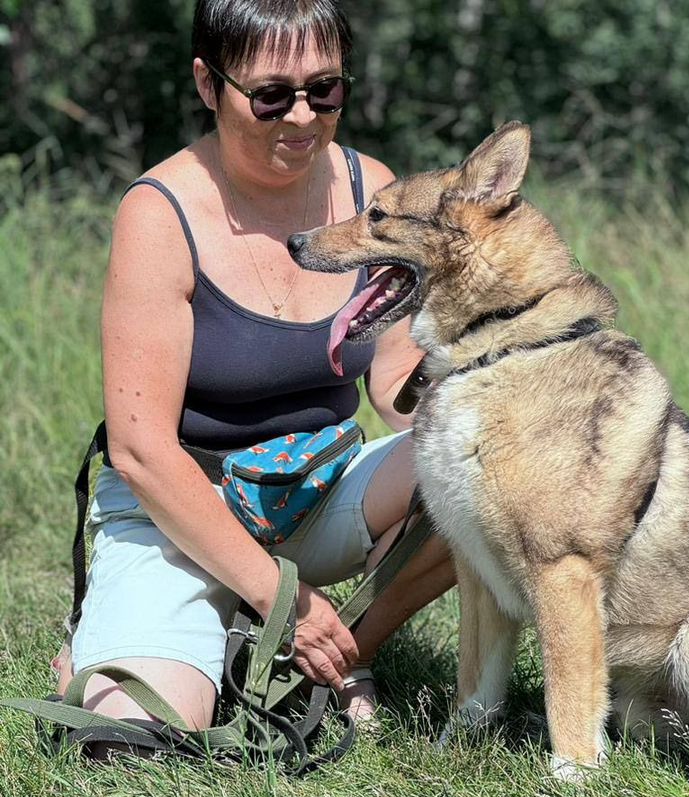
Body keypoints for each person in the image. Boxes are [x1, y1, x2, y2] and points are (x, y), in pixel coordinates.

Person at [54, 0, 456, 730]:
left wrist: (502, 386)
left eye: (325, 89)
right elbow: (141, 451)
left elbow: (398, 384)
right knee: (135, 732)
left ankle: (338, 652)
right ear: (208, 84)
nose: (303, 117)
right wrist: (283, 597)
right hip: (178, 512)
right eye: (271, 96)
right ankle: (162, 628)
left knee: (482, 464)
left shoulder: (371, 190)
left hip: (314, 486)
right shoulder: (159, 212)